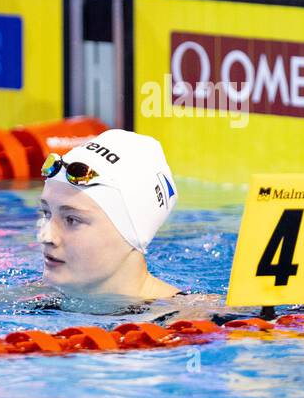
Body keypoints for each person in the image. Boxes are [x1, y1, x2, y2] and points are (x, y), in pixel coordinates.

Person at [36, 128, 190, 304]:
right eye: (47, 213)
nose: (46, 236)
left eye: (72, 220)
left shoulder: (193, 323)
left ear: (132, 232)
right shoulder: (28, 299)